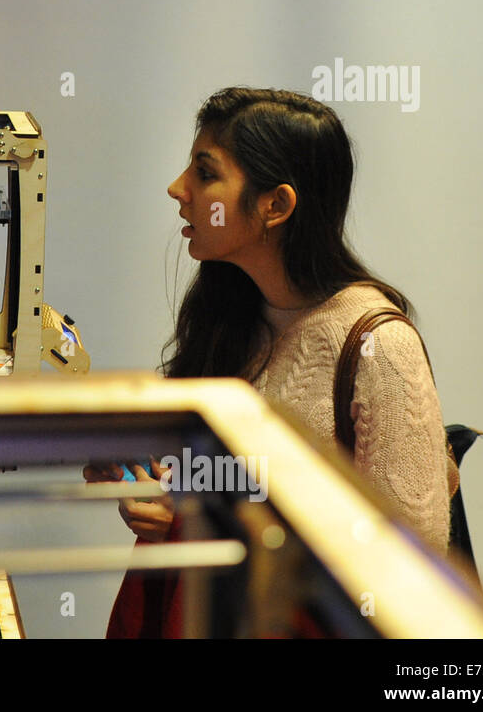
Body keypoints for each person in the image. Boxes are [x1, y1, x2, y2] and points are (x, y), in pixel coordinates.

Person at [88, 87, 457, 638]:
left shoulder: (381, 346)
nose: (177, 190)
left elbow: (411, 571)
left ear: (276, 206)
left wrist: (202, 524)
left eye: (205, 173)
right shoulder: (230, 312)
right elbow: (214, 478)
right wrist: (142, 477)